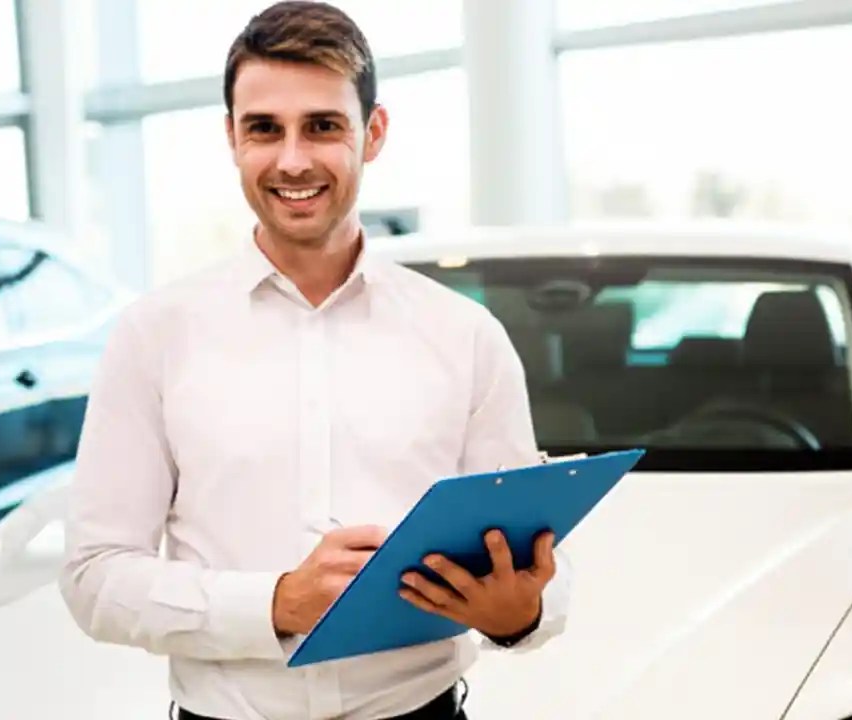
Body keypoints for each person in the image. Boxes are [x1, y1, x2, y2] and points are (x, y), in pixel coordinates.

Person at [57, 2, 571, 719]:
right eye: (264, 128)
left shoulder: (465, 336)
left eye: (323, 126)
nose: (292, 160)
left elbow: (538, 566)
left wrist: (518, 612)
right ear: (232, 137)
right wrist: (277, 603)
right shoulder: (154, 335)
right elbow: (95, 578)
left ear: (374, 133)